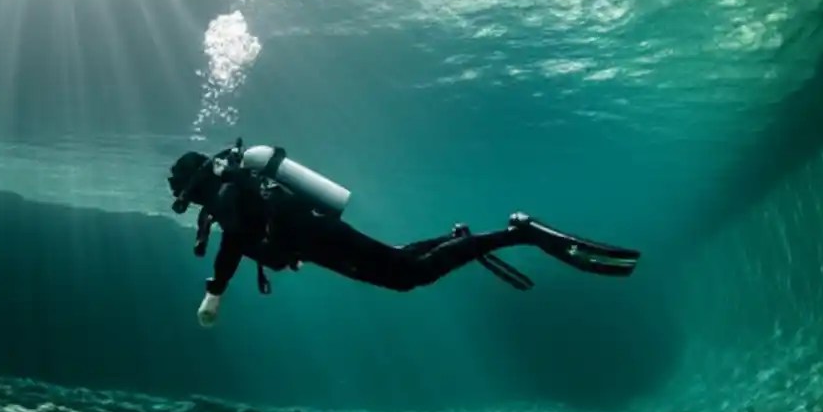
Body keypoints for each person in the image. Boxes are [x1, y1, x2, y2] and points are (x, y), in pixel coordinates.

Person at [166, 141, 641, 327]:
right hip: (319, 237)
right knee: (399, 259)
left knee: (405, 276)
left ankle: (517, 234)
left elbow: (240, 239)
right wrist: (217, 290)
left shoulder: (226, 198)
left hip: (318, 239)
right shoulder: (231, 194)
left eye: (185, 195)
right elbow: (241, 239)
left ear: (195, 187)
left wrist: (217, 291)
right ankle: (458, 238)